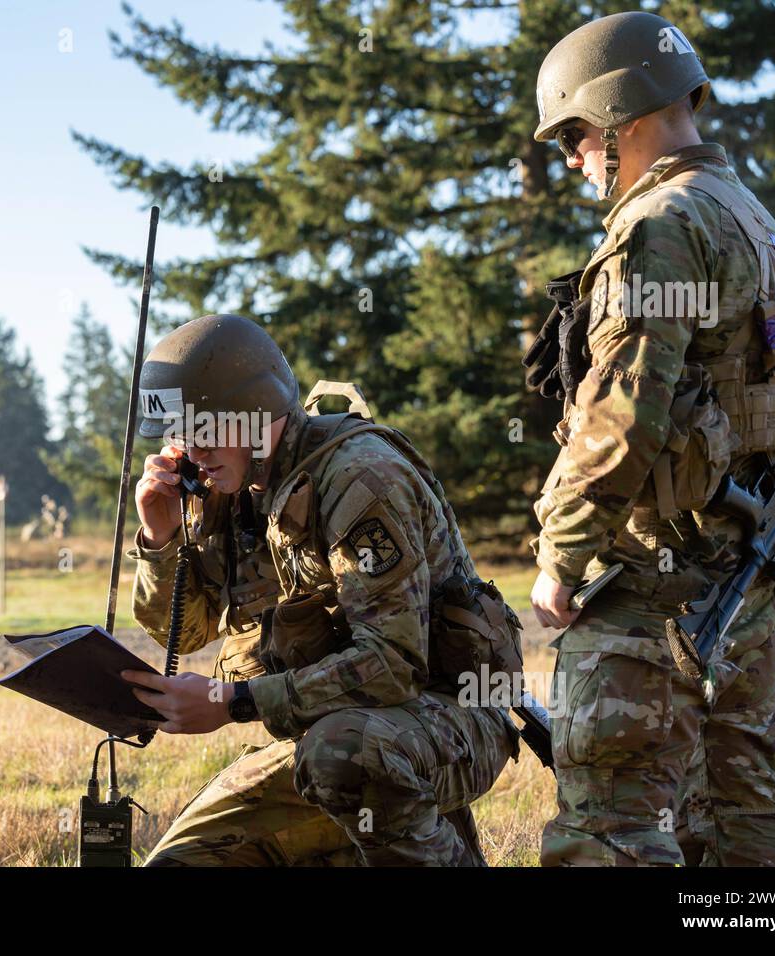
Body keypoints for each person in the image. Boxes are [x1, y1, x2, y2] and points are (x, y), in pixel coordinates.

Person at [526, 11, 775, 866]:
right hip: (747, 559)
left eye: (575, 134)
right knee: (738, 810)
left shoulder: (662, 224)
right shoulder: (755, 218)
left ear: (621, 118)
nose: (573, 157)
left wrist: (561, 556)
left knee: (605, 823)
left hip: (664, 577)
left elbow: (622, 417)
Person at [123, 313, 521, 866]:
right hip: (318, 733)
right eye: (183, 434)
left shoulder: (360, 479)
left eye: (207, 429)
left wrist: (233, 702)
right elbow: (185, 633)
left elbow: (392, 665)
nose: (193, 450)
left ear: (259, 415)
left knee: (344, 755)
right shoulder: (229, 486)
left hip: (445, 713)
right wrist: (160, 535)